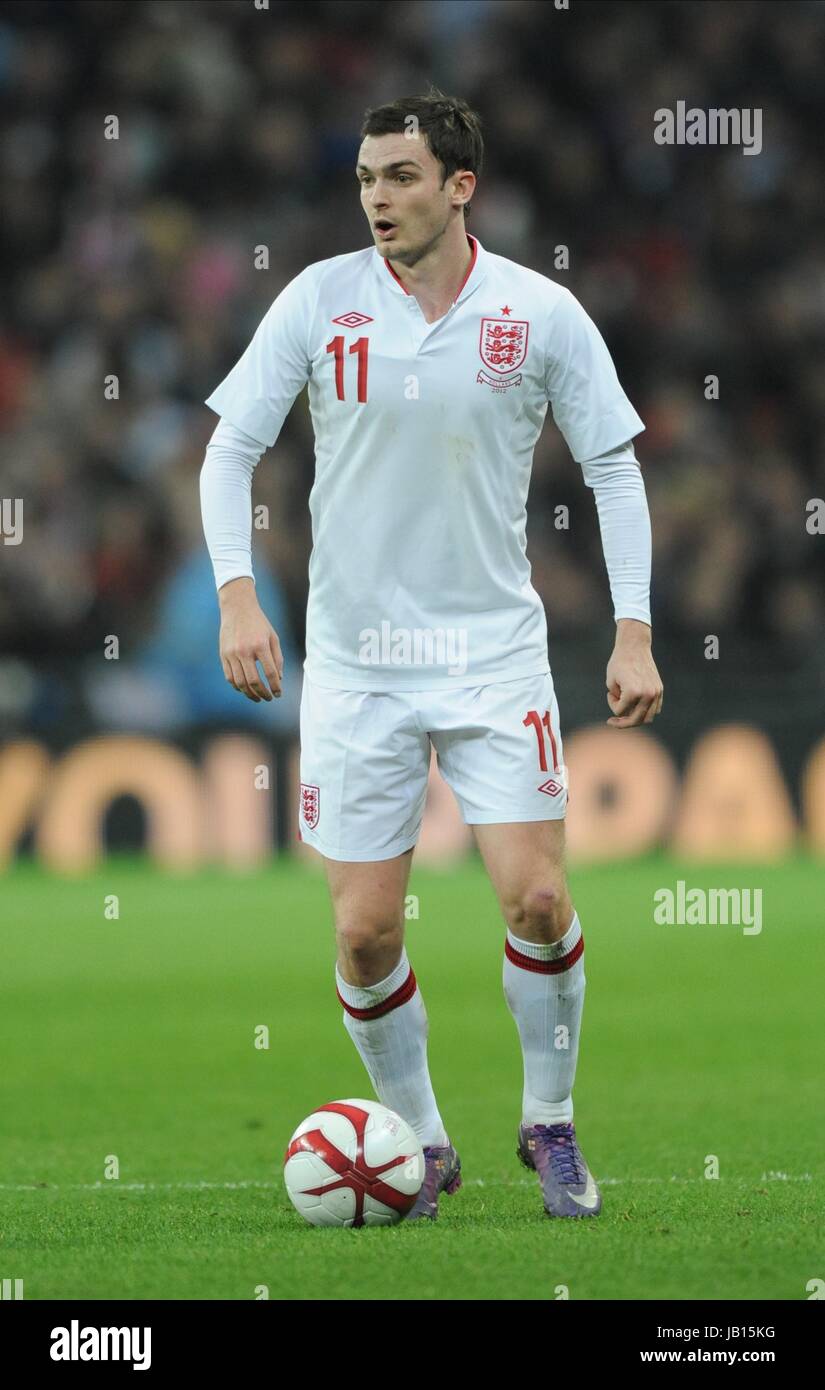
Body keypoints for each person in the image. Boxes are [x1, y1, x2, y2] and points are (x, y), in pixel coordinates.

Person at [200, 87, 662, 1222]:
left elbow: (613, 463)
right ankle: (427, 1143)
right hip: (354, 666)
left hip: (493, 655)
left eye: (400, 177)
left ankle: (549, 1125)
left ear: (461, 186)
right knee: (363, 934)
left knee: (541, 901)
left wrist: (636, 626)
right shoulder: (320, 302)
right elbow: (229, 451)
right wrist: (237, 597)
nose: (377, 199)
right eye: (365, 180)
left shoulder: (540, 313)